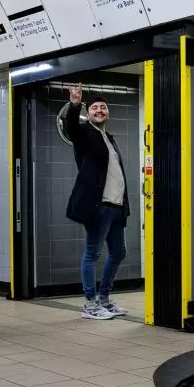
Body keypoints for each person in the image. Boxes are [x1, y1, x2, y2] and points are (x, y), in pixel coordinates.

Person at [60, 83, 130, 320]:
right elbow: (70, 127)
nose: (99, 110)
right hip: (98, 206)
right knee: (92, 253)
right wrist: (75, 103)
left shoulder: (107, 137)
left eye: (103, 107)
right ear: (88, 113)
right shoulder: (84, 133)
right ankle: (90, 304)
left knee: (118, 252)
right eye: (94, 108)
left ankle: (104, 299)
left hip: (116, 206)